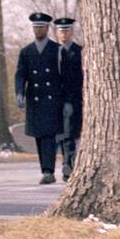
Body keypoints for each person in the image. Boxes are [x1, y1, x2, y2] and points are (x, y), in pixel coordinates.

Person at [14, 10, 62, 183]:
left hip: (52, 99)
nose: (38, 30)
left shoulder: (57, 50)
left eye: (41, 27)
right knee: (39, 137)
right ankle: (45, 169)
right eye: (36, 27)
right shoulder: (26, 52)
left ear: (48, 28)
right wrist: (19, 93)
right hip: (34, 99)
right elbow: (20, 75)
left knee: (49, 136)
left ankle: (48, 171)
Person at [55, 16, 83, 180]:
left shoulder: (79, 51)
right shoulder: (54, 52)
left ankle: (68, 162)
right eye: (61, 30)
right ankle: (66, 162)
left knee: (70, 132)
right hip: (57, 99)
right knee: (60, 134)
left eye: (66, 30)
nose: (63, 33)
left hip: (73, 98)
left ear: (71, 32)